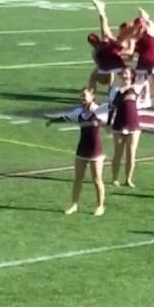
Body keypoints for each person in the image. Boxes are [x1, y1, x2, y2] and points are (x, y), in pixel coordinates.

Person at [46, 88, 107, 216]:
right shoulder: (79, 112)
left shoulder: (99, 111)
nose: (82, 98)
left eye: (85, 95)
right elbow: (65, 117)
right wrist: (52, 120)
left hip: (95, 150)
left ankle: (100, 206)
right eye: (81, 96)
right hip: (82, 149)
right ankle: (74, 204)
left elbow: (110, 120)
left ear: (93, 96)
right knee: (78, 179)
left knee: (97, 179)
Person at [107, 67, 142, 189]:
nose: (124, 75)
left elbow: (143, 85)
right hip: (119, 124)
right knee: (118, 153)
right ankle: (115, 178)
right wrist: (108, 123)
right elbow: (112, 106)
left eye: (126, 73)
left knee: (131, 154)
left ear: (132, 75)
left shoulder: (136, 87)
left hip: (133, 124)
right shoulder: (116, 89)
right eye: (122, 73)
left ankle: (128, 179)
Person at [131, 17, 154, 112]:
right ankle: (135, 101)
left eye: (143, 24)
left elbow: (150, 22)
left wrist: (144, 18)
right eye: (139, 24)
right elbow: (132, 51)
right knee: (139, 83)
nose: (141, 26)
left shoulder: (150, 32)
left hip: (153, 60)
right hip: (143, 61)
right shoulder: (135, 37)